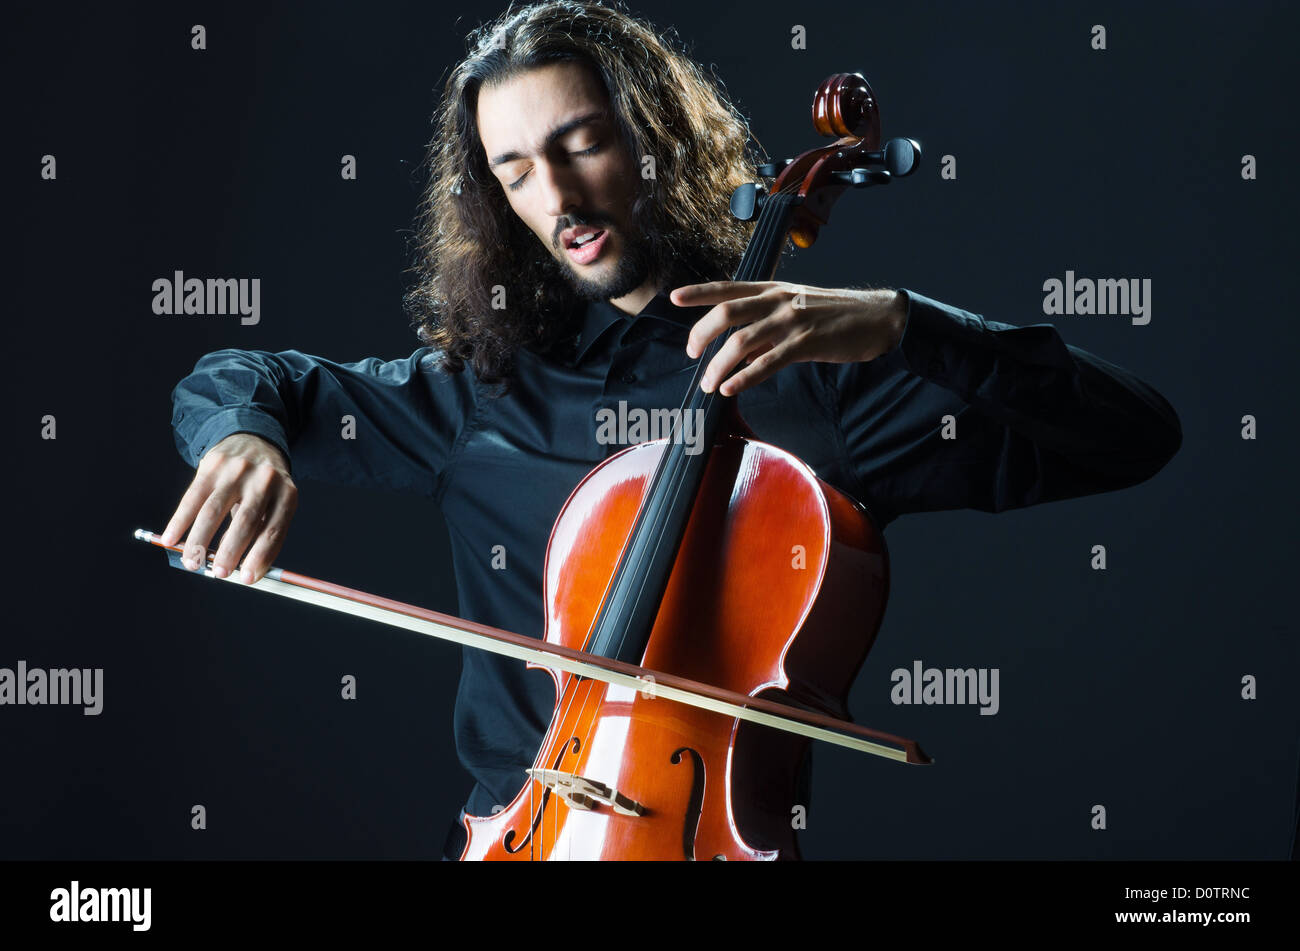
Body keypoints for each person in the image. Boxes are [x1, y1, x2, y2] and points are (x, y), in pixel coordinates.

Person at [162, 1, 1181, 860]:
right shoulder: (481, 393)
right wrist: (241, 435)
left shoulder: (813, 380)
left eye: (582, 144)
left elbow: (1131, 435)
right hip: (517, 835)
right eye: (514, 169)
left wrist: (903, 324)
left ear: (657, 135)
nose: (556, 197)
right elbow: (247, 377)